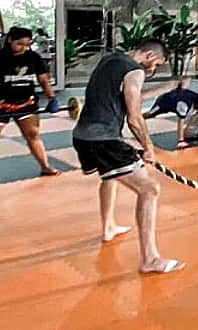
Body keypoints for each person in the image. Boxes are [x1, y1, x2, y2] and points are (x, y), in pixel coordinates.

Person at [73, 39, 183, 274]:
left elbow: (130, 95)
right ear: (151, 57)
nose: (152, 70)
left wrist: (166, 88)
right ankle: (150, 259)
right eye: (155, 66)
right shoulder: (135, 70)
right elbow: (134, 117)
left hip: (83, 136)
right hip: (103, 140)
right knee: (149, 189)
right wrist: (148, 146)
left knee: (109, 175)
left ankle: (108, 227)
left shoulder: (110, 60)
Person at [0, 26, 61, 194]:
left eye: (27, 44)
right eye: (20, 43)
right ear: (9, 40)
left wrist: (52, 98)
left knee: (33, 135)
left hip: (26, 103)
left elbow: (43, 80)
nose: (23, 47)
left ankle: (45, 167)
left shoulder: (33, 57)